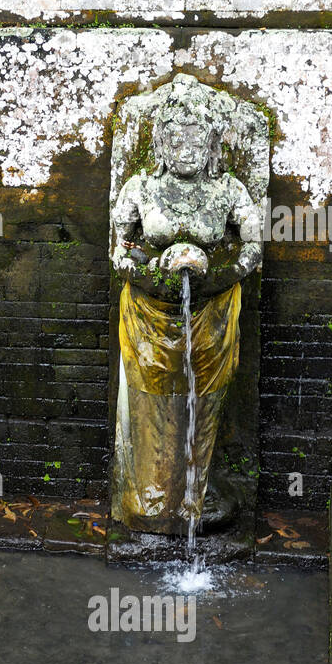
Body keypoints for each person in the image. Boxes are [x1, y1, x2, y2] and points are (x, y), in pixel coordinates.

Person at [109, 83, 263, 533]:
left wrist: (212, 276)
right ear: (159, 142)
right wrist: (157, 275)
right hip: (149, 315)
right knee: (151, 402)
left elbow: (252, 250)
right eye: (174, 139)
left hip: (211, 314)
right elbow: (118, 252)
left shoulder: (229, 191)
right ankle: (152, 496)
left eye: (196, 139)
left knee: (207, 400)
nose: (185, 149)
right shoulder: (140, 188)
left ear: (213, 143)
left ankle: (198, 492)